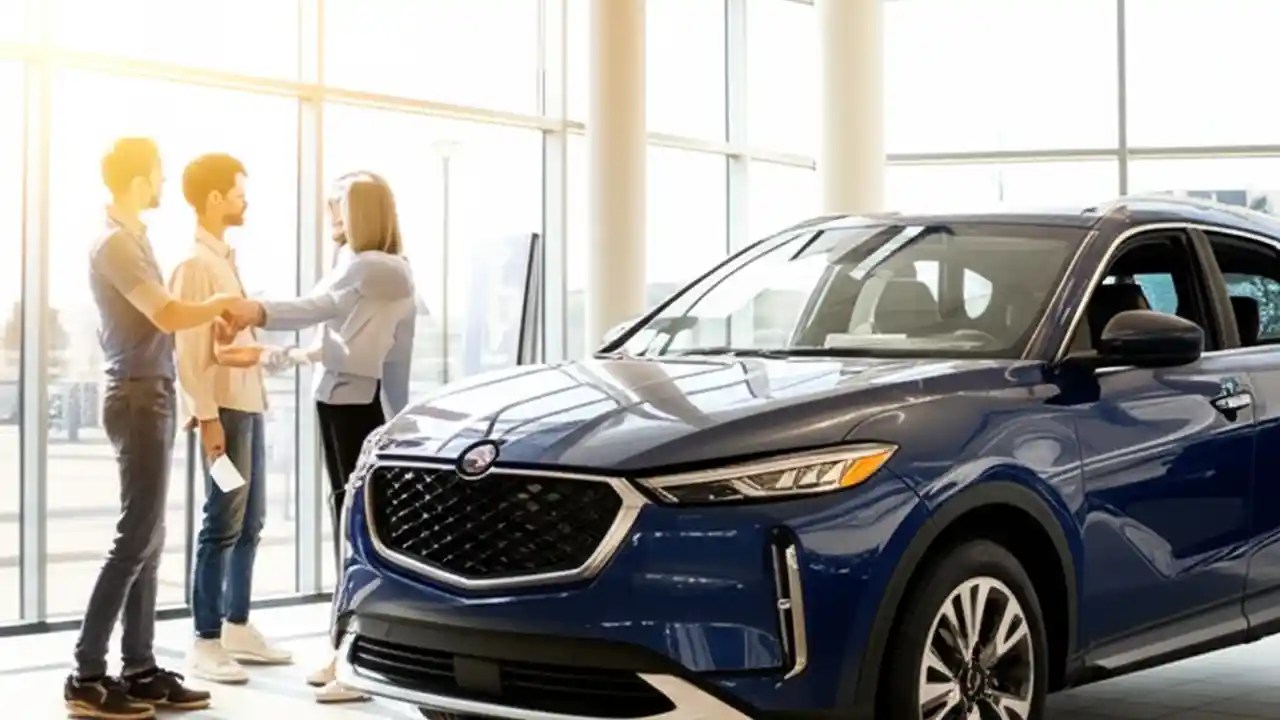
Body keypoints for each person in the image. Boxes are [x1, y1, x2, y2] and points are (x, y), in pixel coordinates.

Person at [65, 138, 253, 719]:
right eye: (158, 175)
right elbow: (167, 313)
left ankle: (139, 667)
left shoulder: (135, 237)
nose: (164, 183)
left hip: (156, 392)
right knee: (134, 538)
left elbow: (166, 317)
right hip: (138, 396)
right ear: (138, 179)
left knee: (150, 537)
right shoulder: (116, 243)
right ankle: (86, 675)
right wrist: (222, 301)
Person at [224, 172, 416, 704]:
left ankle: (357, 657)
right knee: (345, 527)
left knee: (356, 532)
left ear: (362, 214)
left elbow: (323, 319)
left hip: (361, 412)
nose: (332, 220)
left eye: (339, 210)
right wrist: (268, 354)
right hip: (340, 406)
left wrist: (255, 313)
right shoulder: (362, 267)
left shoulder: (378, 268)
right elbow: (333, 345)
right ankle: (346, 649)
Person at [169, 153, 293, 685]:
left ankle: (237, 625)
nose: (246, 199)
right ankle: (206, 638)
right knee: (221, 523)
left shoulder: (226, 260)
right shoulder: (196, 266)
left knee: (252, 522)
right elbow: (187, 351)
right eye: (240, 191)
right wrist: (207, 417)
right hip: (225, 413)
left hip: (249, 404)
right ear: (215, 198)